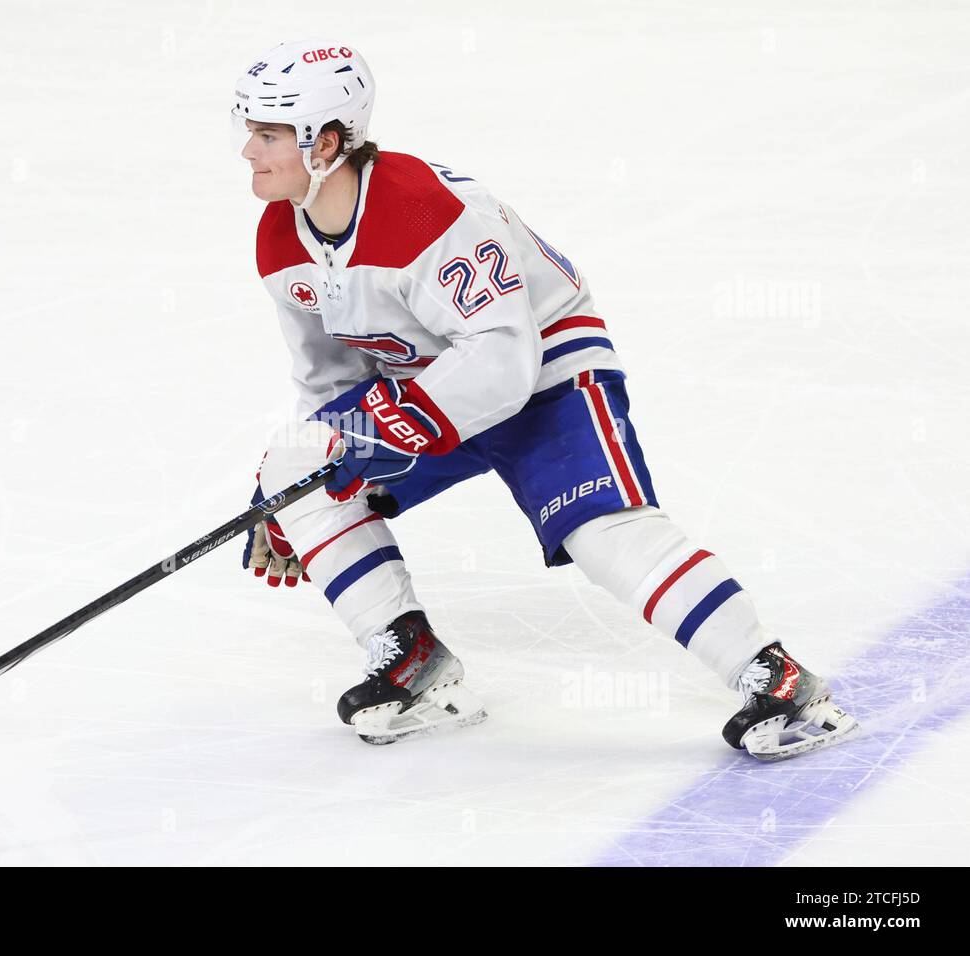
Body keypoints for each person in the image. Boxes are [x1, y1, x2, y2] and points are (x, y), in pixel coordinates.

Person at [233, 39, 857, 759]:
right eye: (250, 129)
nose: (248, 149)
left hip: (544, 370)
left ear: (329, 143)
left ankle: (774, 676)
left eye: (269, 133)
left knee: (600, 531)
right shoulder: (280, 237)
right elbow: (331, 382)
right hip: (426, 389)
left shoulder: (421, 209)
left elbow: (503, 356)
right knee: (293, 464)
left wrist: (392, 423)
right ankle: (411, 660)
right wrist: (307, 486)